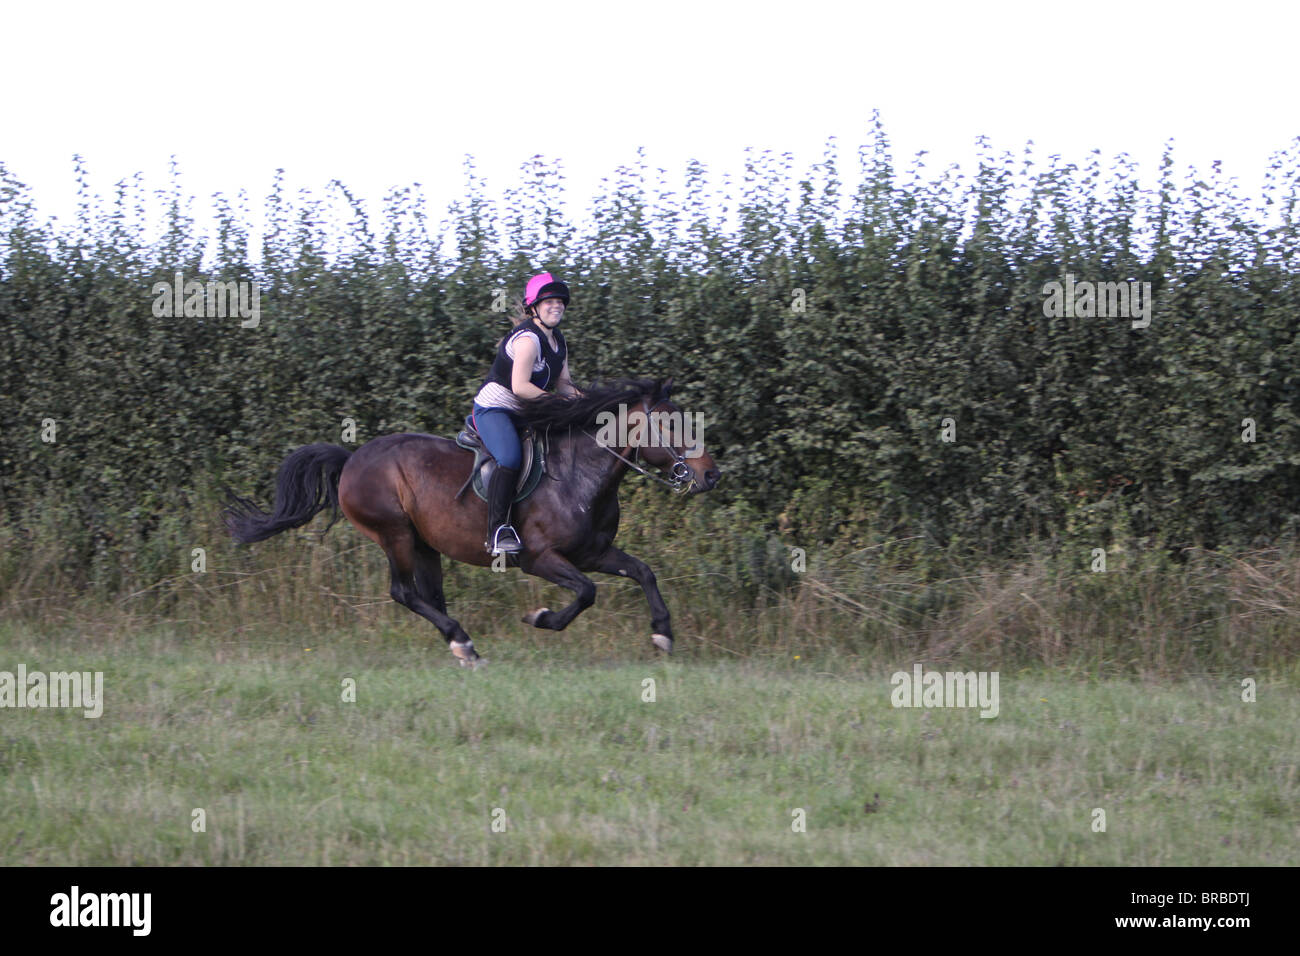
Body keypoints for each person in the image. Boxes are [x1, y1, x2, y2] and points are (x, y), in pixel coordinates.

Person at [472, 272, 581, 554]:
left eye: (560, 301)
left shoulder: (558, 341)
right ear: (533, 307)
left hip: (526, 411)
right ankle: (497, 531)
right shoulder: (528, 340)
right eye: (548, 301)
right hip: (496, 408)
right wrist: (557, 402)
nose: (556, 306)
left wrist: (590, 404)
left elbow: (565, 386)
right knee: (510, 457)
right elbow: (520, 387)